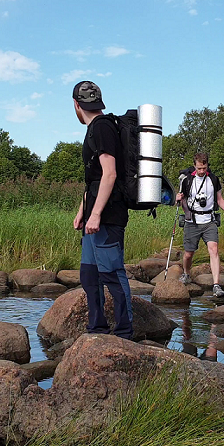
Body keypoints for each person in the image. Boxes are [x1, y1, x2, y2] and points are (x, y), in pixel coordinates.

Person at [72, 80, 134, 339]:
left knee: (111, 273)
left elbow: (110, 174)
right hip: (94, 213)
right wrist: (82, 212)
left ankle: (124, 332)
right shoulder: (94, 130)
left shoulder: (102, 127)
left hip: (108, 215)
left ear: (76, 105)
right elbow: (93, 180)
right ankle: (96, 329)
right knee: (89, 275)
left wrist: (96, 214)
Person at [176, 152, 224, 299]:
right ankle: (186, 274)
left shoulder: (214, 179)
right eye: (199, 168)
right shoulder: (187, 180)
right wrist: (178, 199)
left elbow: (219, 199)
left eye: (204, 168)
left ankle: (216, 285)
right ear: (195, 166)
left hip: (209, 220)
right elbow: (181, 199)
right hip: (192, 222)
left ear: (207, 165)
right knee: (189, 254)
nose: (202, 171)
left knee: (214, 249)